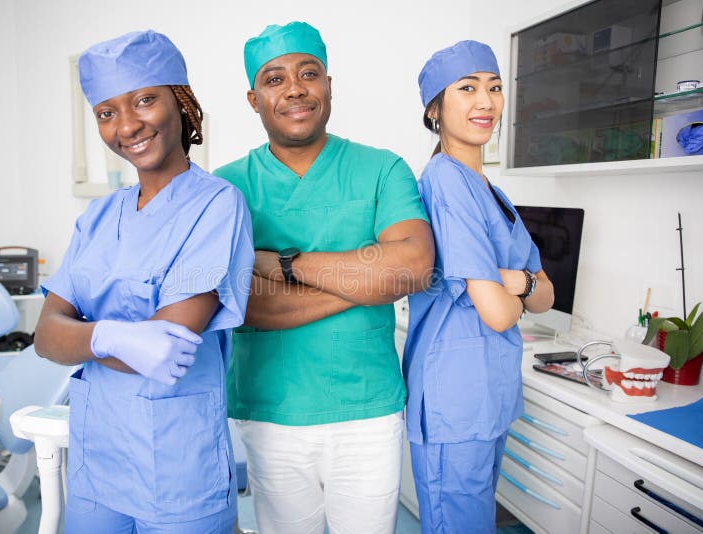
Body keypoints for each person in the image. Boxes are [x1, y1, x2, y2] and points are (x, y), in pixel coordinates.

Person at [213, 21, 435, 534]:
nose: (294, 88)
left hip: (368, 410)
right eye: (274, 79)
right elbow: (241, 304)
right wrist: (368, 280)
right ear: (253, 98)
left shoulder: (381, 169)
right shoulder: (225, 188)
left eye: (308, 73)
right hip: (272, 410)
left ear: (328, 85)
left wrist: (284, 266)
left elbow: (414, 267)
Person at [34, 30, 254, 534]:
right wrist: (114, 337)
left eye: (144, 100)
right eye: (106, 112)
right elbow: (44, 337)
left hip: (177, 463)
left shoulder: (218, 206)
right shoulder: (97, 215)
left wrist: (83, 333)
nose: (127, 125)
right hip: (96, 458)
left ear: (180, 100)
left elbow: (168, 345)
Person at [403, 40, 555, 533]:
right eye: (467, 89)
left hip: (488, 394)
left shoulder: (493, 191)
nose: (485, 102)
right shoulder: (445, 181)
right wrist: (519, 286)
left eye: (493, 87)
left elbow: (544, 295)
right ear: (435, 108)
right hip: (456, 396)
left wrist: (515, 279)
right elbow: (499, 313)